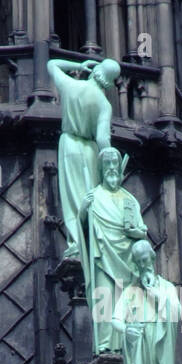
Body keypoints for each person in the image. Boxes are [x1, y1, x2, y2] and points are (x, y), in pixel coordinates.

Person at [46, 56, 121, 259]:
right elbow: (103, 139)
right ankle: (89, 241)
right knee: (89, 196)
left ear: (96, 71)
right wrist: (112, 163)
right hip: (89, 150)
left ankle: (77, 242)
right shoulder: (104, 104)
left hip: (69, 144)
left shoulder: (71, 86)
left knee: (73, 198)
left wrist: (79, 65)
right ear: (109, 82)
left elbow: (51, 64)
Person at [79, 147, 150, 353]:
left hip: (127, 259)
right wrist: (83, 209)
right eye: (107, 164)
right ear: (101, 169)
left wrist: (135, 232)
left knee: (125, 301)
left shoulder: (130, 200)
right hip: (103, 256)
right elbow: (83, 230)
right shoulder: (94, 196)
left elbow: (141, 232)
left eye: (114, 164)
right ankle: (105, 345)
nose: (111, 168)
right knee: (105, 297)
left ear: (120, 168)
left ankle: (126, 346)